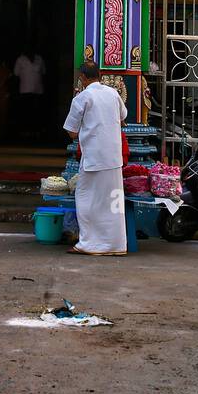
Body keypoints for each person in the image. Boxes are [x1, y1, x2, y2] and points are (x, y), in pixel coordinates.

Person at [63, 62, 128, 256]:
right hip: (114, 158)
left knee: (85, 198)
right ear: (99, 74)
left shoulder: (82, 98)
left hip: (94, 157)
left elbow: (71, 132)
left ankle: (90, 243)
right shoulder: (113, 93)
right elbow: (123, 117)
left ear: (83, 77)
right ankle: (117, 244)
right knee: (114, 201)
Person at [13, 46, 46, 139]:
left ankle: (36, 132)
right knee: (25, 112)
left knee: (36, 112)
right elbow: (16, 75)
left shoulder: (39, 59)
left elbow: (43, 73)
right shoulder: (20, 60)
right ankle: (25, 132)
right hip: (25, 91)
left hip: (38, 91)